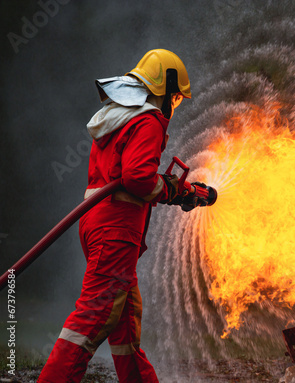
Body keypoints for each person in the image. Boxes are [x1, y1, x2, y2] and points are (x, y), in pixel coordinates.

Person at [38, 49, 194, 383]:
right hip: (116, 228)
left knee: (123, 323)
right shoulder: (148, 119)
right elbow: (137, 177)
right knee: (93, 317)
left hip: (98, 223)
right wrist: (170, 190)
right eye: (176, 97)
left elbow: (124, 174)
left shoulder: (117, 115)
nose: (174, 105)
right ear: (165, 89)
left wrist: (166, 186)